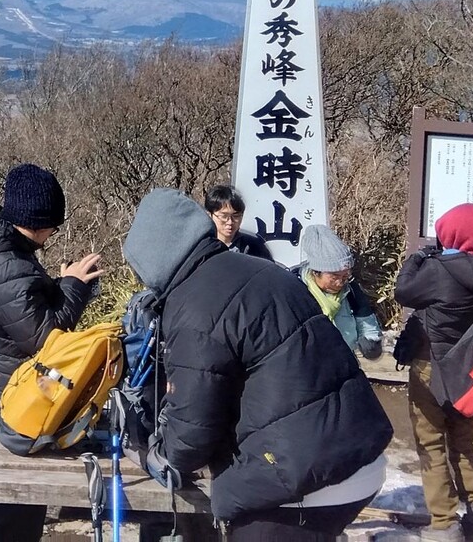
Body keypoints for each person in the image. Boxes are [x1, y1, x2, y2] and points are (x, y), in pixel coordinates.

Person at [124, 189, 391, 542]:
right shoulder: (263, 270)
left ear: (153, 259)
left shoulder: (194, 304)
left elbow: (193, 428)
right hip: (358, 453)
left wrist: (160, 454)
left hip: (303, 481)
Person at [0, 163, 103, 542]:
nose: (53, 234)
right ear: (39, 222)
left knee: (7, 515)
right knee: (8, 518)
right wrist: (73, 287)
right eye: (54, 226)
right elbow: (47, 340)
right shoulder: (7, 267)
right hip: (10, 411)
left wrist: (59, 286)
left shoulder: (1, 257)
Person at [395, 203, 473, 542]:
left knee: (431, 443)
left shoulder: (437, 270)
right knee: (463, 442)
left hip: (431, 366)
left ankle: (444, 523)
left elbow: (403, 291)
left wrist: (417, 258)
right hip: (471, 371)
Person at [296, 224, 383, 360]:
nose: (340, 282)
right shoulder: (297, 289)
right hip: (308, 362)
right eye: (334, 276)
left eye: (345, 276)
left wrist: (371, 341)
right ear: (316, 272)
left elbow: (366, 320)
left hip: (345, 358)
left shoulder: (351, 290)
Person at [203, 185, 274, 259]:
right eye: (224, 216)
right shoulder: (202, 246)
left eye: (236, 216)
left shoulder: (255, 246)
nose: (230, 222)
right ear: (209, 215)